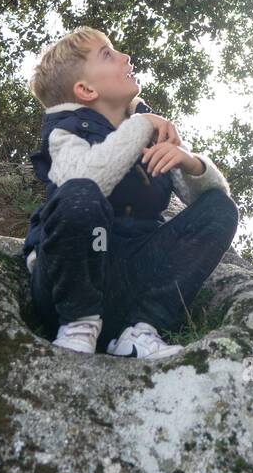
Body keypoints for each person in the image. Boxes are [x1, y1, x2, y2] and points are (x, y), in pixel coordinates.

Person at [22, 26, 238, 358]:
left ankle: (140, 329)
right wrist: (140, 125)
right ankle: (79, 325)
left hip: (132, 280)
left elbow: (209, 198)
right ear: (85, 88)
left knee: (220, 209)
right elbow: (90, 179)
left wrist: (190, 163)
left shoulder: (150, 131)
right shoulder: (63, 132)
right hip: (70, 285)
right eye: (108, 54)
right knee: (81, 194)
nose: (126, 57)